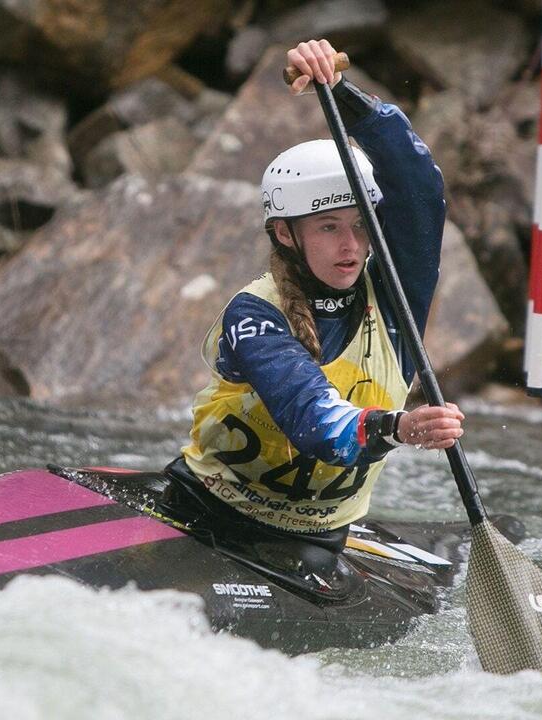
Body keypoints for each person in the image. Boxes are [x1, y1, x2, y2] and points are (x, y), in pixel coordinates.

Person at [163, 39, 464, 592]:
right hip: (202, 512)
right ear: (286, 233)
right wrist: (399, 426)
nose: (351, 245)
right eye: (329, 227)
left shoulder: (397, 297)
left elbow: (419, 184)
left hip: (318, 540)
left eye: (359, 225)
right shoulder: (254, 314)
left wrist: (342, 92)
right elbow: (314, 419)